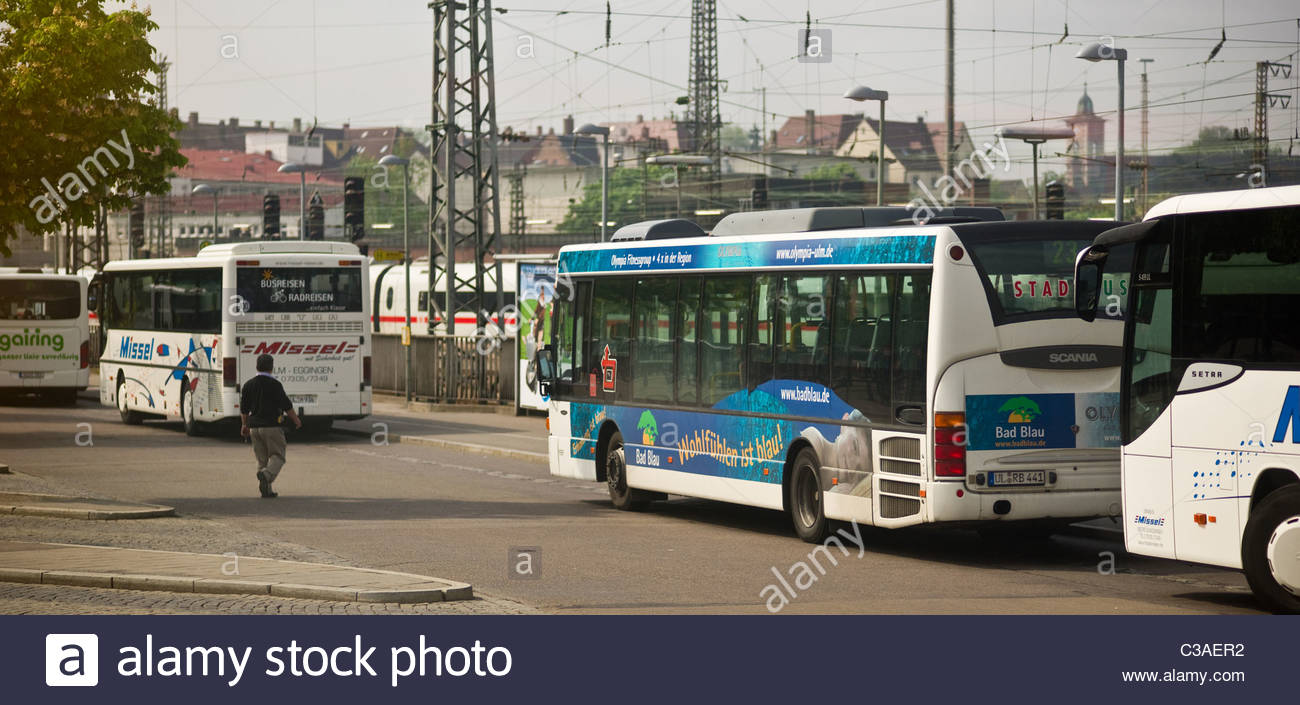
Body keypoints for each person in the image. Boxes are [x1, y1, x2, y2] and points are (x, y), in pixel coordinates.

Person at [240, 353, 301, 498]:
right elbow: (286, 405)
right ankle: (267, 475)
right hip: (271, 426)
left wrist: (244, 425)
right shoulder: (275, 385)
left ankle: (266, 490)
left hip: (254, 428)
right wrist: (296, 420)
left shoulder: (248, 384)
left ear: (256, 366)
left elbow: (244, 409)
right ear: (272, 367)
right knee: (278, 456)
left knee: (262, 460)